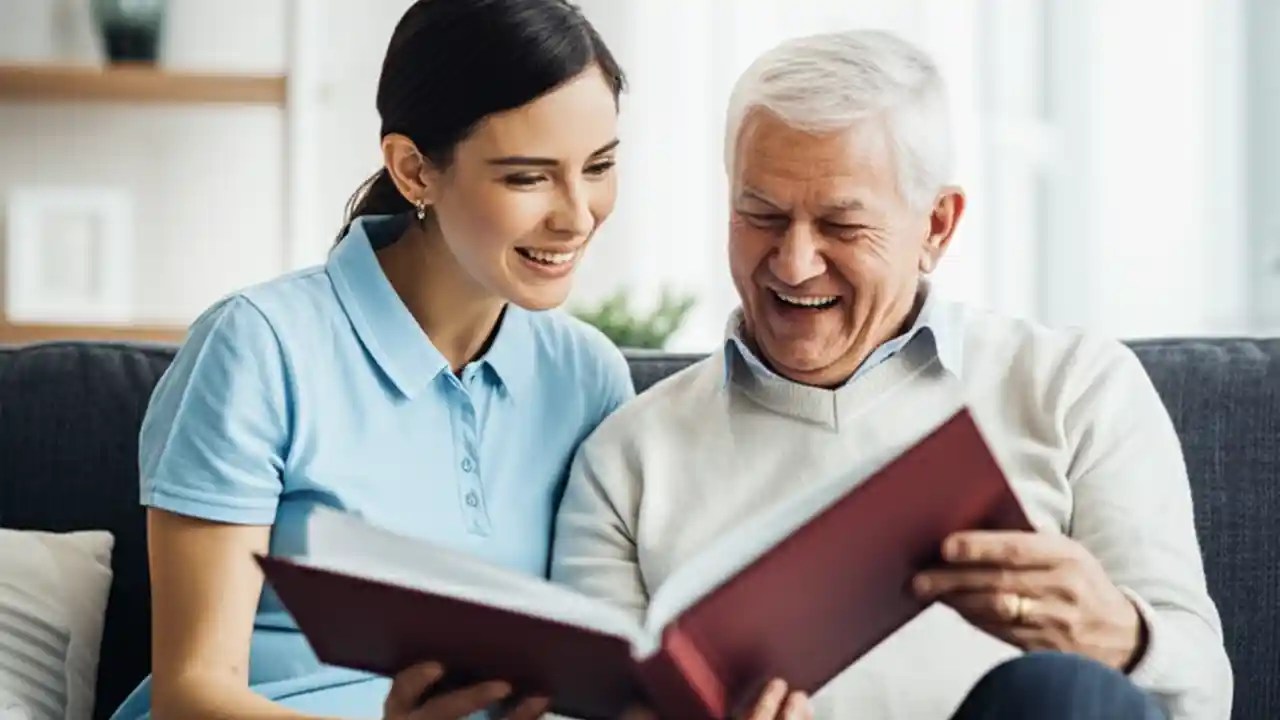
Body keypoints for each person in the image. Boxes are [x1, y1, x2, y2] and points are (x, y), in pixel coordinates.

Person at [109, 2, 809, 719]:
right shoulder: (259, 348)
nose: (577, 214)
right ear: (415, 171)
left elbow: (602, 666)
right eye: (528, 178)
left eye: (598, 166)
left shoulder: (586, 374)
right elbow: (192, 692)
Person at [551, 29, 1233, 720]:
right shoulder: (627, 459)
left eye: (842, 226)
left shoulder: (1073, 387)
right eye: (761, 216)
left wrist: (1119, 634)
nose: (793, 263)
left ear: (937, 225)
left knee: (1059, 692)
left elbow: (1206, 691)